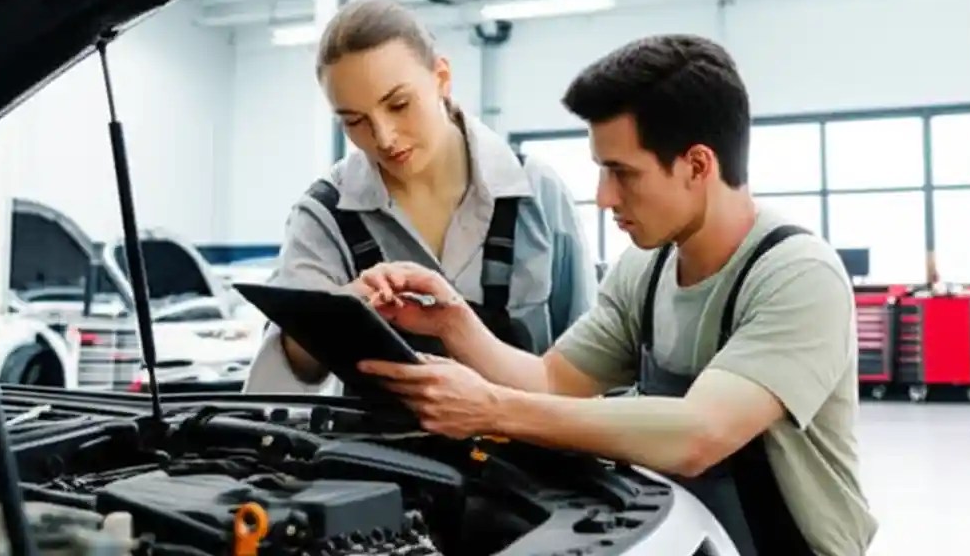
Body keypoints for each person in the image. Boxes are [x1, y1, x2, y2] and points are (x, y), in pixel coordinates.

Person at [351, 34, 878, 555]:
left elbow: (697, 435)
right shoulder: (645, 268)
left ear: (697, 165)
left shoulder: (797, 275)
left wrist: (491, 409)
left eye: (622, 173)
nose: (604, 197)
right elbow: (555, 381)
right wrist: (453, 323)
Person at [243, 0, 597, 394]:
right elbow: (289, 373)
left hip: (529, 450)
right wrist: (343, 310)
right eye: (354, 121)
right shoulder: (324, 214)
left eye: (399, 104)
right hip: (381, 452)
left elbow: (588, 362)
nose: (384, 137)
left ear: (441, 78)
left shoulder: (537, 190)